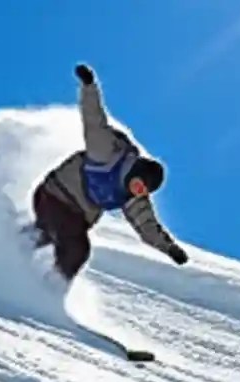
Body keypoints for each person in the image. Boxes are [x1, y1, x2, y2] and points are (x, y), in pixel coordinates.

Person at [31, 63, 189, 282]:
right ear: (137, 171)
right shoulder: (107, 152)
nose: (138, 190)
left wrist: (170, 249)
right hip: (55, 195)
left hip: (76, 217)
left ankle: (5, 251)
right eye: (140, 183)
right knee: (77, 248)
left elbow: (147, 226)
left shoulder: (134, 199)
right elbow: (94, 119)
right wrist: (89, 86)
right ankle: (48, 290)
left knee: (42, 238)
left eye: (143, 191)